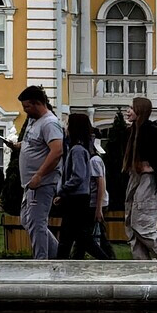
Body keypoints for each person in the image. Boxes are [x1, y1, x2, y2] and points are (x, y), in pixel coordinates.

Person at [118, 95, 157, 262]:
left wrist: (150, 167)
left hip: (147, 180)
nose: (127, 111)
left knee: (142, 222)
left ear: (140, 110)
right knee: (131, 223)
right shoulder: (132, 132)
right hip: (135, 177)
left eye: (131, 107)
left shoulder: (151, 131)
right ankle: (141, 263)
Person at [15, 84, 63, 258]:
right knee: (27, 220)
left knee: (37, 223)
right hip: (29, 183)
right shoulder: (34, 121)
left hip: (41, 183)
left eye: (27, 106)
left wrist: (39, 175)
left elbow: (57, 150)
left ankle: (41, 261)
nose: (25, 110)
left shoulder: (50, 123)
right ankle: (58, 254)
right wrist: (18, 145)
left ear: (37, 103)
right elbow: (35, 143)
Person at [57, 111, 107, 260]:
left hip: (76, 200)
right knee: (79, 237)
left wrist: (62, 190)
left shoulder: (77, 150)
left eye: (68, 124)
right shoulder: (81, 149)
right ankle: (61, 263)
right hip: (78, 198)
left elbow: (78, 176)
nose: (65, 128)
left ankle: (59, 266)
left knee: (71, 237)